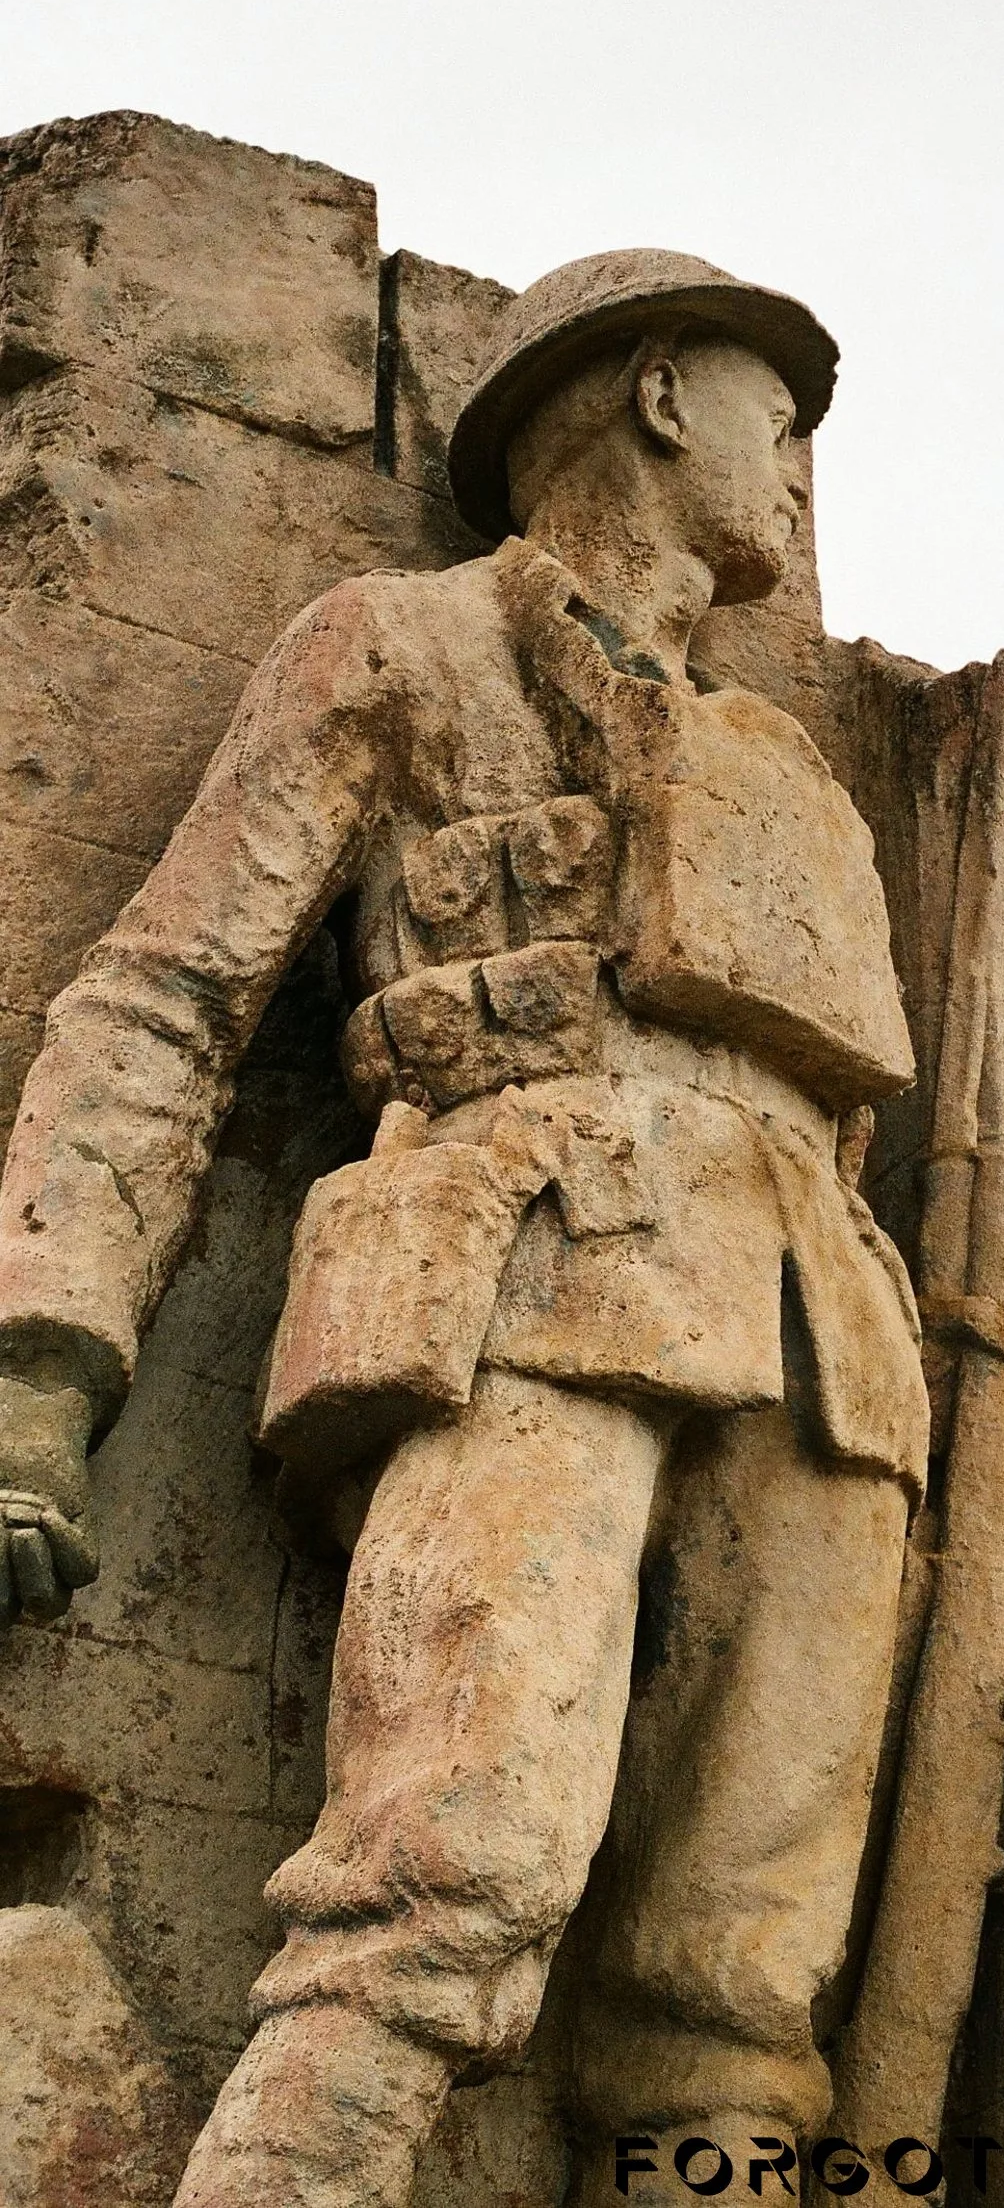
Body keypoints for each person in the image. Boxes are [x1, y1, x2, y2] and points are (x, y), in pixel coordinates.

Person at [0, 249, 932, 2208]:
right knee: (443, 1882)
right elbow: (165, 998)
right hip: (523, 1276)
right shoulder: (400, 648)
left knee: (741, 2007)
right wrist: (41, 1355)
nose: (801, 468)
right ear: (662, 395)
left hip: (824, 1375)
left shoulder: (789, 778)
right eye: (782, 411)